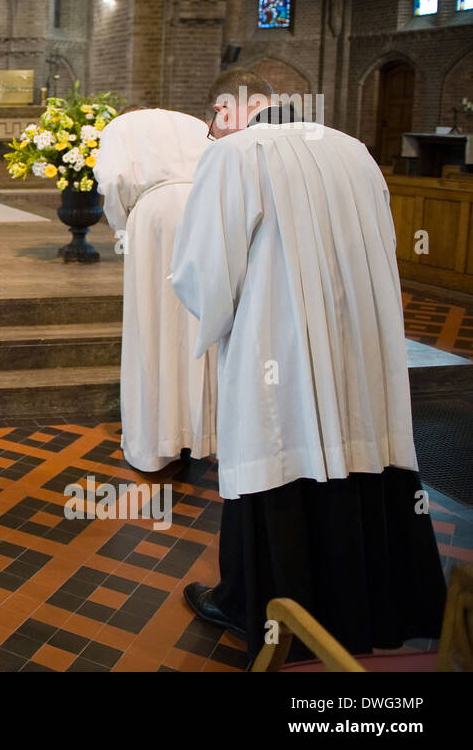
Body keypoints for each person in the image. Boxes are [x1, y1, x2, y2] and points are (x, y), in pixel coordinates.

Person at [170, 69, 448, 662]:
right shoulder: (354, 151)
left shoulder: (237, 156)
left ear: (226, 112)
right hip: (361, 344)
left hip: (279, 345)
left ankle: (256, 606)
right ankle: (371, 608)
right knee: (358, 448)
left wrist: (218, 318)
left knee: (281, 448)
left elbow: (204, 272)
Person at [93, 108, 216, 474]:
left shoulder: (121, 125)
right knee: (202, 321)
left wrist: (122, 224)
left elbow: (113, 180)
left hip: (154, 213)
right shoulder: (195, 123)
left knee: (150, 321)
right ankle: (204, 431)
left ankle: (154, 444)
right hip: (204, 207)